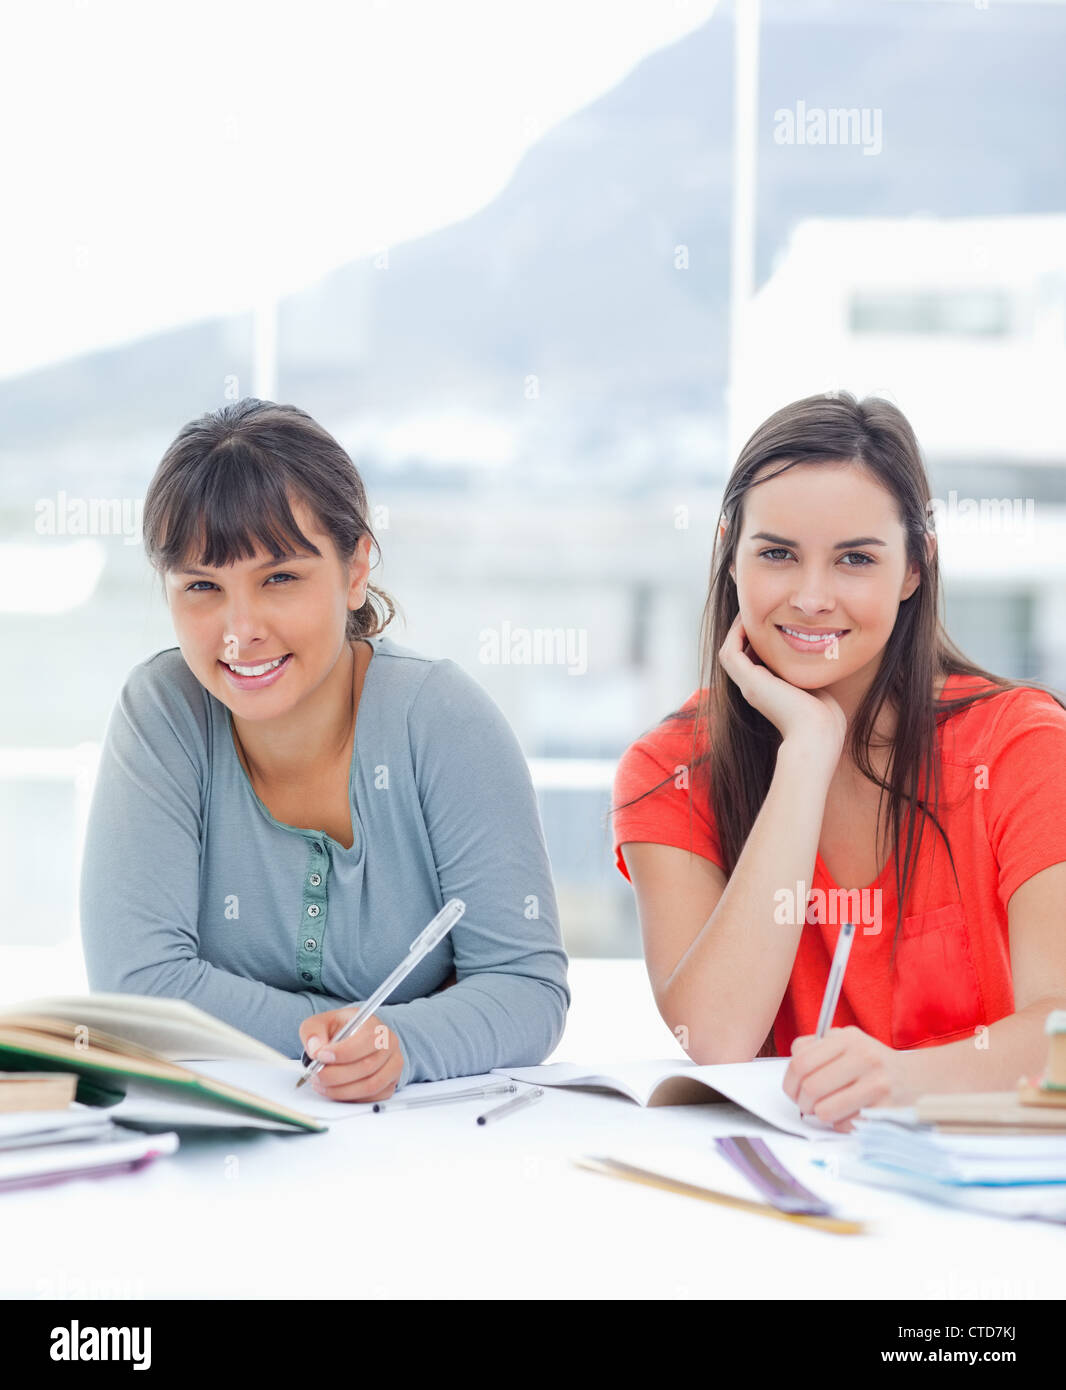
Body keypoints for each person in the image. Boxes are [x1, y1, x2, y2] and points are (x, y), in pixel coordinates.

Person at [81, 398, 569, 1103]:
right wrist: (346, 1034)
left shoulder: (441, 720)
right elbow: (137, 991)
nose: (240, 630)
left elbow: (527, 990)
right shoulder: (163, 713)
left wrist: (402, 1046)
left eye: (280, 577)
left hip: (419, 1148)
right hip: (222, 1145)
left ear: (356, 568)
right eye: (202, 587)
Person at [610, 391, 1066, 1131]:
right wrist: (806, 755)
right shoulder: (668, 771)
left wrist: (902, 1079)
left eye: (855, 559)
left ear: (915, 570)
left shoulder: (1022, 746)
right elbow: (717, 1035)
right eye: (777, 554)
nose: (813, 597)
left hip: (979, 1178)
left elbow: (1060, 1035)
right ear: (730, 555)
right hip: (785, 1182)